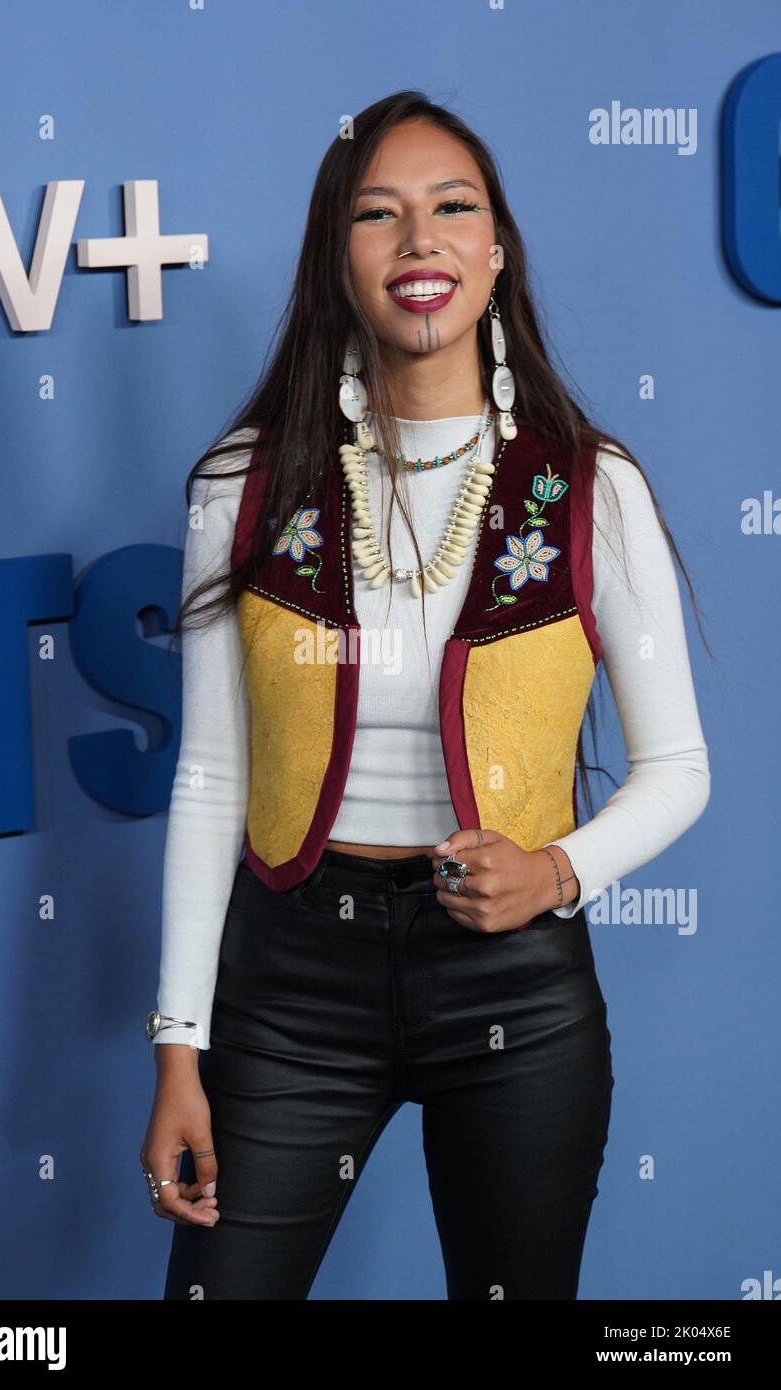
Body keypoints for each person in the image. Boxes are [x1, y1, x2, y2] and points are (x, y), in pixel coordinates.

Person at [139, 90, 711, 1300]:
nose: (418, 242)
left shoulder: (587, 487)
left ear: (495, 251)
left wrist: (559, 872)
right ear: (333, 257)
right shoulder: (240, 485)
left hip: (512, 988)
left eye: (453, 208)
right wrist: (178, 1046)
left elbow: (678, 771)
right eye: (376, 215)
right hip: (290, 981)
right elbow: (209, 779)